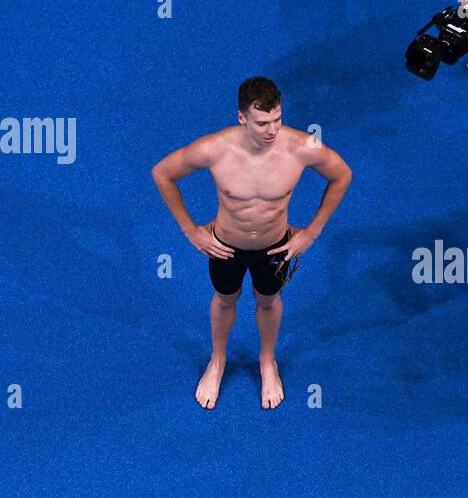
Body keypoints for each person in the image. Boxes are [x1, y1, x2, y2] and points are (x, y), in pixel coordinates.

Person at [150, 77, 352, 410]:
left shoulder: (303, 147)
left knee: (269, 302)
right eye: (262, 123)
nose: (272, 130)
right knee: (224, 300)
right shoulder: (214, 149)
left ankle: (267, 360)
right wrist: (190, 230)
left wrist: (312, 232)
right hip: (225, 247)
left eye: (277, 120)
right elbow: (162, 173)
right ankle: (217, 360)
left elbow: (342, 175)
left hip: (276, 248)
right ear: (242, 118)